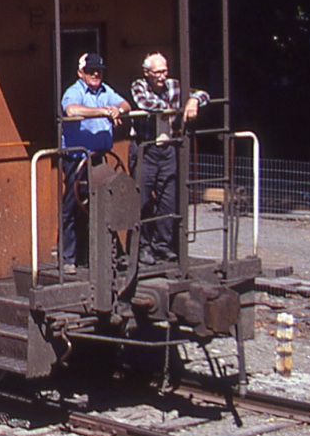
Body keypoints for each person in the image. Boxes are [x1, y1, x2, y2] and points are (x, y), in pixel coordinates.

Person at [130, 52, 209, 263]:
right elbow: (144, 103)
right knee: (143, 199)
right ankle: (142, 247)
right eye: (157, 72)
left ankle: (162, 244)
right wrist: (170, 108)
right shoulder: (138, 86)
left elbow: (204, 95)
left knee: (168, 198)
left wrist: (192, 100)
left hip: (167, 149)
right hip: (145, 148)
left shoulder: (174, 86)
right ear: (147, 73)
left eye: (165, 71)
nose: (162, 76)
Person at [60, 52, 130, 272]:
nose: (96, 74)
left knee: (105, 206)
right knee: (72, 207)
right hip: (77, 159)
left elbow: (126, 104)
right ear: (81, 73)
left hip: (100, 160)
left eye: (99, 70)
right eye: (91, 71)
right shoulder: (74, 92)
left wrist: (117, 109)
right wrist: (103, 112)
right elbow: (71, 110)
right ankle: (68, 259)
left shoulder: (105, 90)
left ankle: (105, 255)